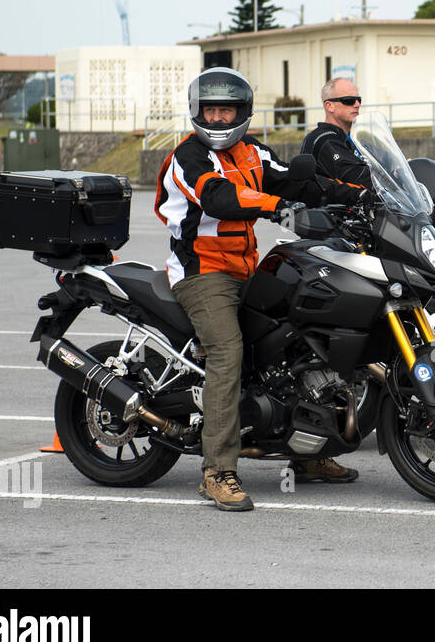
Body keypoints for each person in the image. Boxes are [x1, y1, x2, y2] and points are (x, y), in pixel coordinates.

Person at [155, 67, 365, 512]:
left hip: (245, 268)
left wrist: (361, 195)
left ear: (242, 112)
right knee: (228, 353)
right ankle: (216, 471)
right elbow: (220, 198)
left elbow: (298, 178)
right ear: (198, 113)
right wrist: (280, 208)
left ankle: (308, 453)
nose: (217, 118)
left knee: (303, 336)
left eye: (225, 109)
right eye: (210, 110)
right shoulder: (188, 158)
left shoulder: (253, 154)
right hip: (203, 273)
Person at [302, 78, 372, 187]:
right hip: (328, 203)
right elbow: (356, 177)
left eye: (359, 99)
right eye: (349, 100)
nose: (357, 104)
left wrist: (398, 169)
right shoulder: (324, 139)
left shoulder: (349, 138)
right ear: (329, 106)